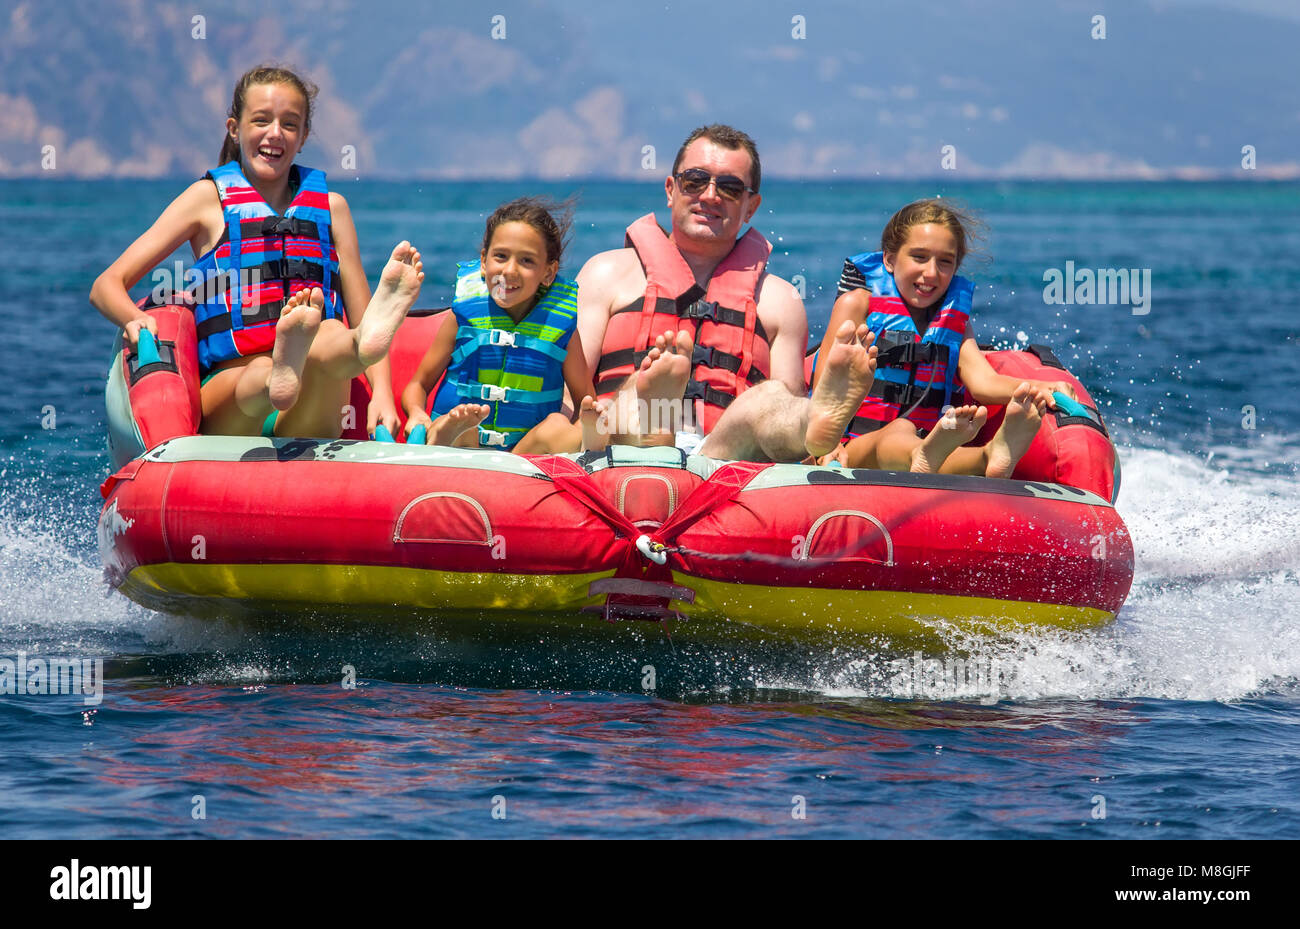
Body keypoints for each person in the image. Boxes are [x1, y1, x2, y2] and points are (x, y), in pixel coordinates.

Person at [90, 65, 422, 440]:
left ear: (304, 136)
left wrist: (381, 394)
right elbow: (106, 285)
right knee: (258, 378)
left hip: (310, 402)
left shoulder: (333, 209)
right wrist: (133, 318)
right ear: (235, 128)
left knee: (331, 332)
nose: (275, 134)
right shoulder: (206, 200)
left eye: (290, 124)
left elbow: (362, 311)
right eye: (261, 120)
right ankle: (281, 373)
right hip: (234, 394)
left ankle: (357, 348)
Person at [573, 124, 875, 459]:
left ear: (750, 207)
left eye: (730, 188)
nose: (710, 195)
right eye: (695, 180)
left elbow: (777, 415)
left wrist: (812, 446)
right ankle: (656, 429)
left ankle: (816, 421)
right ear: (671, 190)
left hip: (720, 457)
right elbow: (572, 393)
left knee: (771, 398)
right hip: (617, 447)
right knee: (636, 394)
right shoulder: (606, 273)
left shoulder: (779, 301)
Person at [812, 199, 1077, 477]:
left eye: (945, 262)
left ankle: (991, 454)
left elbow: (984, 382)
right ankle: (926, 454)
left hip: (926, 442)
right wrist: (823, 444)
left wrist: (1042, 387)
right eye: (919, 257)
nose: (931, 272)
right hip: (849, 449)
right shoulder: (857, 304)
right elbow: (823, 388)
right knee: (901, 431)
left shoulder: (954, 324)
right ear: (890, 259)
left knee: (922, 437)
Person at [400, 197, 594, 452]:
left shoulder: (562, 330)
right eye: (501, 256)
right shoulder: (462, 318)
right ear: (484, 261)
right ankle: (453, 432)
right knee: (460, 425)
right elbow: (418, 385)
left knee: (558, 425)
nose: (509, 271)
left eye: (527, 261)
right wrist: (416, 413)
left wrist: (584, 430)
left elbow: (585, 403)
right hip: (460, 444)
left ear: (548, 272)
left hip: (522, 455)